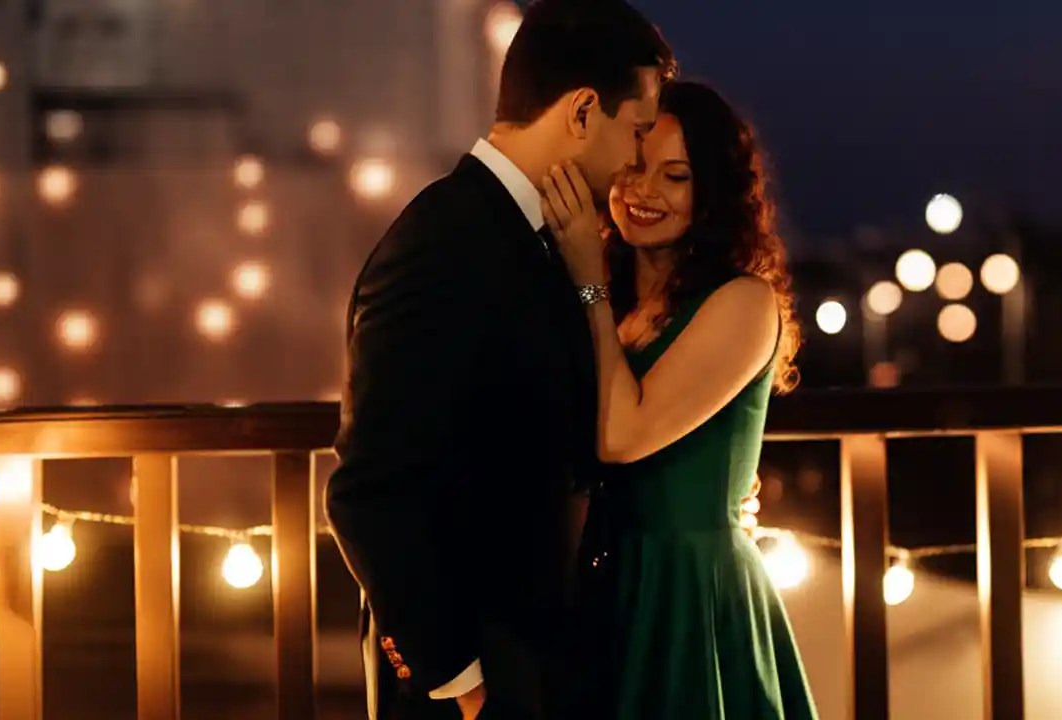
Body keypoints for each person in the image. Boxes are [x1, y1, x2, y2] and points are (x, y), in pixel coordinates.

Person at [322, 1, 675, 718]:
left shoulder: (535, 235)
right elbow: (369, 491)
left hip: (543, 656)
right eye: (637, 132)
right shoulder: (444, 243)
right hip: (483, 674)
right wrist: (464, 684)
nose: (636, 160)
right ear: (583, 112)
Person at [542, 79, 819, 719]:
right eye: (633, 167)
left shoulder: (742, 301)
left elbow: (622, 435)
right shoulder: (608, 294)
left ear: (713, 190)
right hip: (597, 580)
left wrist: (587, 280)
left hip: (690, 591)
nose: (643, 192)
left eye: (675, 176)